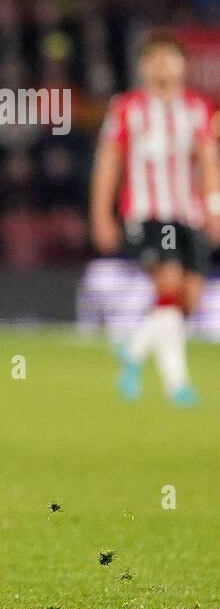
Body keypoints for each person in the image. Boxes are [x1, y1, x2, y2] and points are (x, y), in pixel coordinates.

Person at [90, 32, 220, 407]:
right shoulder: (127, 108)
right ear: (143, 67)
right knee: (170, 284)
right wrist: (101, 214)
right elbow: (109, 162)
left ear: (184, 65)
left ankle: (134, 349)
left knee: (189, 300)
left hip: (189, 214)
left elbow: (209, 162)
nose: (162, 64)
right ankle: (177, 384)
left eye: (170, 57)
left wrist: (213, 209)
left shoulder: (198, 108)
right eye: (154, 58)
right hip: (148, 214)